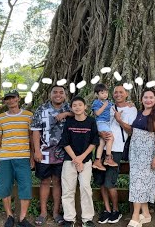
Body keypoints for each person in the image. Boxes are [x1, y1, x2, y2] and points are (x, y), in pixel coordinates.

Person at [33, 85, 75, 227]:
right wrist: (36, 150)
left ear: (65, 95)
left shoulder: (70, 108)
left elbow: (81, 114)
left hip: (63, 153)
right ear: (50, 94)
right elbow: (35, 131)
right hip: (44, 152)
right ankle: (43, 212)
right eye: (55, 92)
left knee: (57, 182)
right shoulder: (41, 109)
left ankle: (56, 212)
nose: (58, 95)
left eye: (61, 92)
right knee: (44, 181)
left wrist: (66, 114)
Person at [0, 90, 35, 227]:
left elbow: (32, 138)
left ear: (18, 99)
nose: (11, 101)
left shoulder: (28, 116)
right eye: (8, 99)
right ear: (5, 101)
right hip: (5, 157)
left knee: (26, 186)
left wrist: (33, 156)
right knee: (5, 187)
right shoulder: (0, 118)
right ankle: (9, 215)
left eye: (13, 98)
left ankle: (23, 218)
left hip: (23, 156)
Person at [125, 87, 155, 227]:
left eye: (151, 97)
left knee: (140, 184)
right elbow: (132, 131)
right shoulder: (139, 113)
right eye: (145, 97)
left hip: (148, 155)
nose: (148, 100)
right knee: (137, 183)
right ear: (141, 99)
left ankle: (136, 216)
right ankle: (146, 213)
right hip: (135, 154)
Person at [100, 85, 139, 224]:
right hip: (101, 147)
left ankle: (116, 210)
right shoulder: (108, 106)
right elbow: (99, 122)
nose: (118, 94)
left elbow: (131, 131)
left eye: (121, 92)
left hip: (116, 148)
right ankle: (107, 209)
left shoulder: (131, 109)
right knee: (101, 181)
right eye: (115, 92)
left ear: (126, 94)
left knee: (110, 181)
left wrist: (119, 120)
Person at [60, 95, 100, 227]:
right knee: (68, 190)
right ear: (71, 108)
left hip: (86, 160)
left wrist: (81, 159)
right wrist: (76, 159)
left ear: (85, 107)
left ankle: (87, 219)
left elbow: (94, 141)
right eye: (74, 105)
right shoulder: (69, 122)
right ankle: (69, 219)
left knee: (85, 188)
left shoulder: (91, 122)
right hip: (69, 160)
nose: (77, 107)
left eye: (80, 105)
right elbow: (65, 142)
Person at [90, 85, 117, 170]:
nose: (105, 94)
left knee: (102, 141)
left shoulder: (109, 102)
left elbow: (115, 107)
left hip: (107, 123)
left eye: (106, 92)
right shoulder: (96, 103)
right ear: (97, 94)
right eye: (102, 93)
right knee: (110, 138)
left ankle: (97, 161)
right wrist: (104, 106)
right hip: (101, 123)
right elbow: (97, 113)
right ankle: (108, 158)